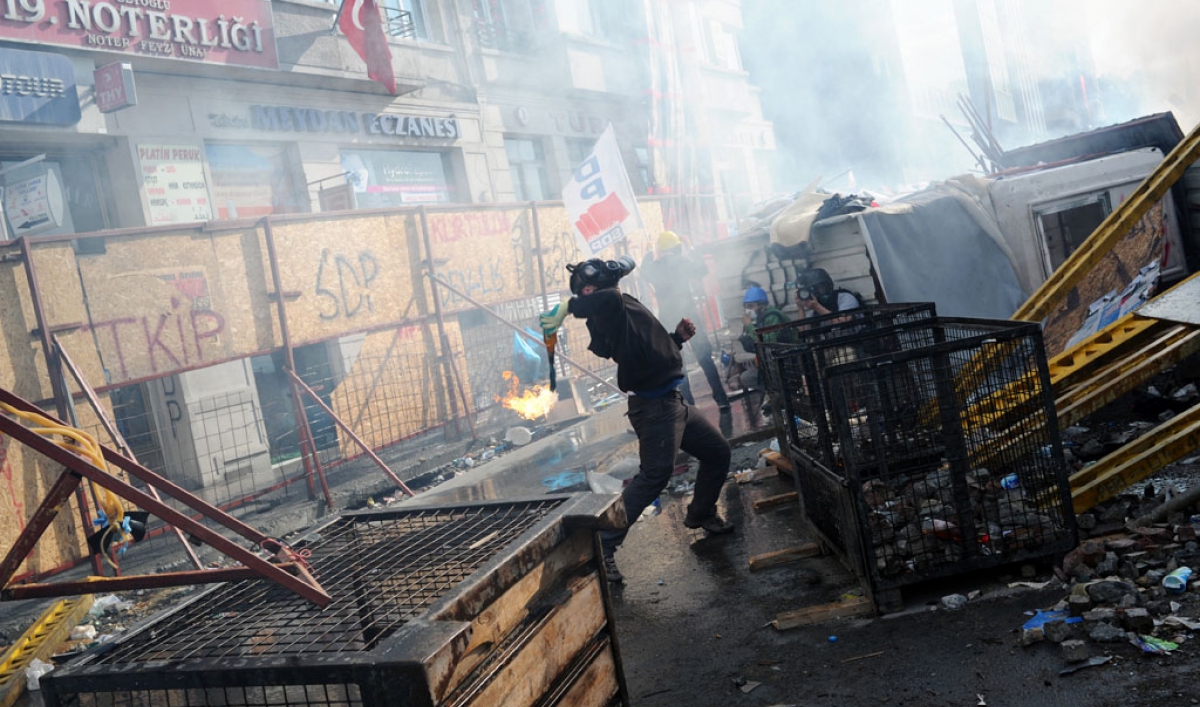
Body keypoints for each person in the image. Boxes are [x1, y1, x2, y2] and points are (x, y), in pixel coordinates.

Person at [539, 256, 735, 584]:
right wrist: (567, 307)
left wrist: (676, 339)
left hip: (673, 402)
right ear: (589, 290)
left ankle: (700, 513)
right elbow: (606, 298)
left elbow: (646, 350)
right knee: (654, 476)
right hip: (656, 409)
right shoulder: (608, 309)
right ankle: (605, 543)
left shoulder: (618, 306)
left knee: (717, 452)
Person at [641, 231, 731, 410]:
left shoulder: (655, 266)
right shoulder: (681, 261)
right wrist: (690, 248)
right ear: (676, 247)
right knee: (704, 357)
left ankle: (689, 406)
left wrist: (649, 252)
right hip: (687, 315)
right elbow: (702, 269)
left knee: (678, 363)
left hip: (668, 318)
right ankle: (721, 399)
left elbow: (644, 271)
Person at [735, 286, 791, 419]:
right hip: (770, 365)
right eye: (746, 306)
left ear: (762, 305)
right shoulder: (761, 319)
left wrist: (749, 326)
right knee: (746, 377)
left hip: (786, 361)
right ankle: (774, 394)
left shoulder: (773, 316)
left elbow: (767, 341)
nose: (749, 310)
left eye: (751, 306)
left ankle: (784, 396)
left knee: (770, 361)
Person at [794, 268, 863, 318]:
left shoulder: (845, 298)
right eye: (812, 289)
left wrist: (817, 307)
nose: (816, 291)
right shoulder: (814, 309)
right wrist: (800, 308)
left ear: (827, 285)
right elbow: (804, 332)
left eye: (819, 287)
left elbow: (844, 322)